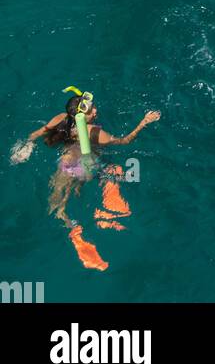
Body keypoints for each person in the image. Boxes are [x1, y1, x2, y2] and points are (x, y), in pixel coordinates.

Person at [12, 88, 160, 270]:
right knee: (112, 172)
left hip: (66, 164)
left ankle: (74, 230)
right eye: (92, 110)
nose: (96, 110)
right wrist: (143, 122)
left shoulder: (61, 118)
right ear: (84, 116)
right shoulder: (95, 132)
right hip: (86, 166)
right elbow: (125, 141)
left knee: (58, 205)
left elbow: (39, 132)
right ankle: (92, 223)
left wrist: (27, 145)